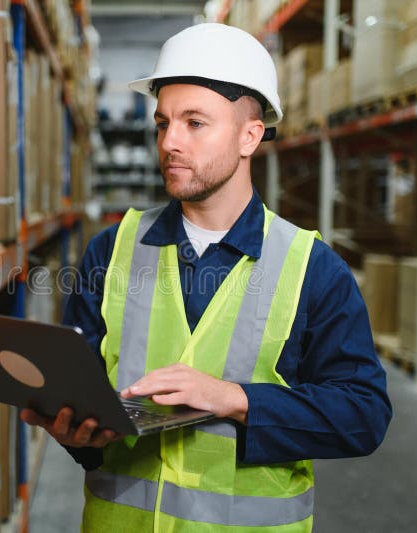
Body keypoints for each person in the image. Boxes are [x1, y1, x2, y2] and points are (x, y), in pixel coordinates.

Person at [21, 22, 392, 531]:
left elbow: (363, 415)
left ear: (249, 135)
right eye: (162, 122)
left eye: (195, 123)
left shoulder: (312, 268)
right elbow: (81, 396)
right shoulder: (111, 251)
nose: (170, 142)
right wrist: (75, 434)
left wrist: (234, 398)